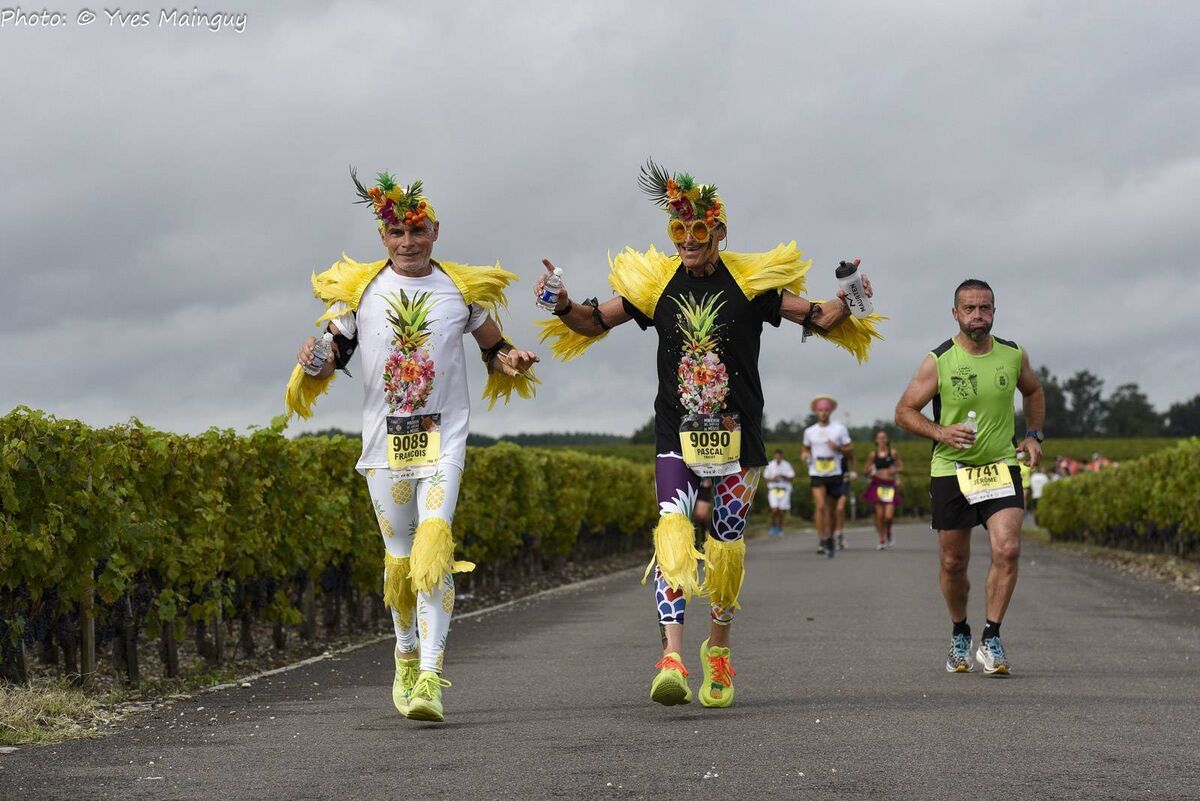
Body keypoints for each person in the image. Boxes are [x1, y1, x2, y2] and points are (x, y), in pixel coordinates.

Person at [535, 159, 882, 707]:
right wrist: (558, 303)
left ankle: (717, 650)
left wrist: (853, 293)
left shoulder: (750, 285)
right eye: (680, 230)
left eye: (700, 230)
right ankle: (671, 656)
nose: (689, 240)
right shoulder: (656, 286)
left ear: (719, 232)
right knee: (672, 533)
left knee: (724, 549)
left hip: (737, 438)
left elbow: (819, 317)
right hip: (676, 434)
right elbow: (592, 321)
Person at [285, 169, 540, 722]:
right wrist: (313, 362)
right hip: (386, 448)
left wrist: (512, 361)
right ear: (382, 235)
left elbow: (496, 348)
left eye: (417, 231)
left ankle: (430, 675)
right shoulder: (359, 293)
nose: (408, 242)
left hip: (444, 438)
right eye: (396, 231)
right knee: (400, 558)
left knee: (432, 545)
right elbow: (330, 354)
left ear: (435, 231)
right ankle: (403, 648)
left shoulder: (461, 292)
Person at [895, 278, 1044, 676]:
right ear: (956, 313)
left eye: (985, 308)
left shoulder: (1013, 355)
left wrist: (1032, 434)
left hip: (1000, 466)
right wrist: (941, 431)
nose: (978, 316)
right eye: (970, 309)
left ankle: (992, 637)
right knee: (953, 561)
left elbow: (1033, 391)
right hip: (952, 471)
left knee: (1008, 549)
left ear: (994, 311)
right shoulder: (939, 360)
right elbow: (904, 411)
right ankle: (960, 631)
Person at [802, 396, 854, 557]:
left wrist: (838, 448)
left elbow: (850, 450)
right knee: (820, 506)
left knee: (831, 510)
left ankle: (830, 537)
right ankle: (821, 540)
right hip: (817, 472)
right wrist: (804, 455)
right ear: (816, 412)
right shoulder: (809, 431)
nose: (823, 413)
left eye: (826, 410)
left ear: (830, 411)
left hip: (835, 472)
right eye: (820, 410)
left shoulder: (839, 429)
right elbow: (805, 449)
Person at [864, 429, 904, 549]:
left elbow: (901, 467)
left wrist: (895, 470)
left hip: (890, 485)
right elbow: (865, 471)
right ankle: (882, 539)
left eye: (883, 438)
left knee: (888, 516)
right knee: (880, 515)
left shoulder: (893, 453)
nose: (881, 440)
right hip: (877, 485)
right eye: (879, 438)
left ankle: (889, 531)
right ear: (876, 440)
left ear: (887, 440)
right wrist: (870, 470)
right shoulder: (873, 455)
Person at [763, 449, 796, 536]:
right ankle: (773, 525)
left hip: (784, 490)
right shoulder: (770, 465)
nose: (777, 458)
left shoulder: (787, 465)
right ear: (774, 456)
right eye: (776, 456)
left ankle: (780, 528)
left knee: (781, 511)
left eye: (779, 456)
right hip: (774, 489)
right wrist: (773, 478)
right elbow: (766, 477)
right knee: (774, 509)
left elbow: (791, 478)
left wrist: (783, 476)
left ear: (781, 456)